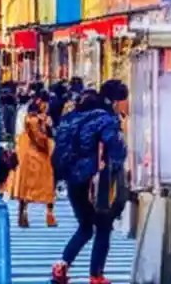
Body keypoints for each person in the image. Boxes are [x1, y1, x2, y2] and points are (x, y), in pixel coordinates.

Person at [50, 81, 129, 284]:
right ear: (114, 101)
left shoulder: (73, 117)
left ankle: (62, 264)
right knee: (103, 226)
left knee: (85, 226)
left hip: (73, 179)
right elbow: (115, 150)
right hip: (96, 180)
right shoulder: (106, 120)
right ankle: (96, 274)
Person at [11, 97, 56, 228]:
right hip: (39, 156)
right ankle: (49, 215)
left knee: (26, 188)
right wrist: (48, 132)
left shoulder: (27, 119)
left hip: (27, 154)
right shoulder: (35, 120)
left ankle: (23, 214)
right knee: (47, 186)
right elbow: (41, 138)